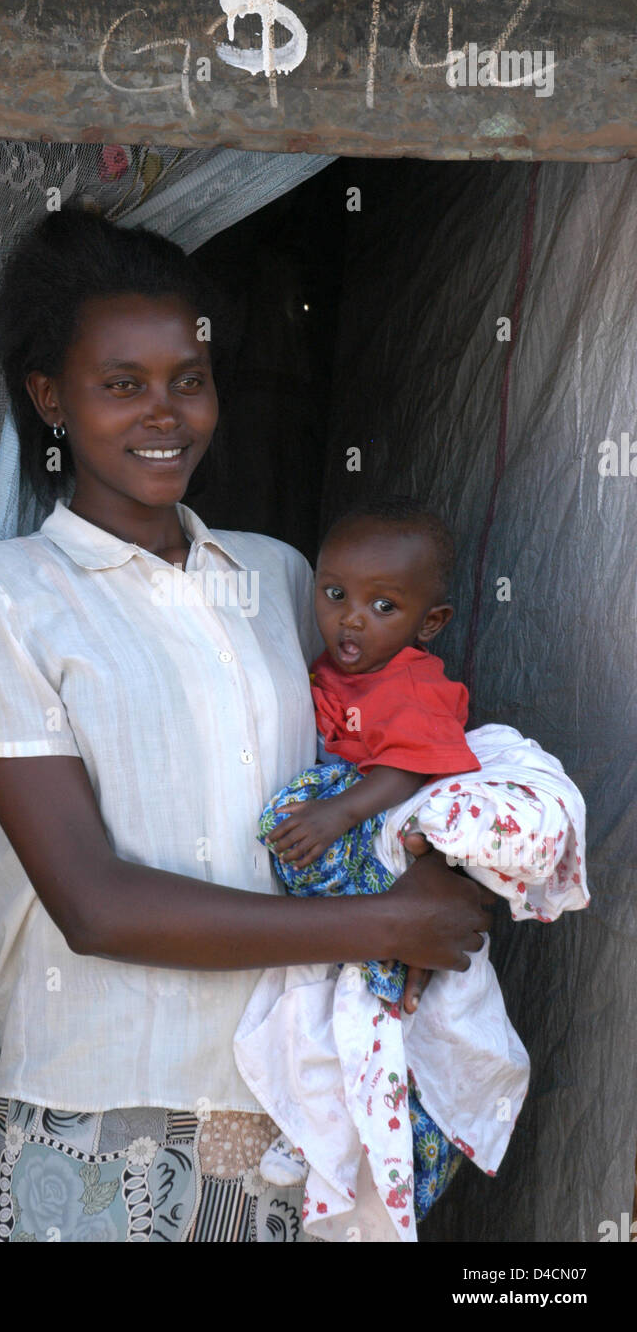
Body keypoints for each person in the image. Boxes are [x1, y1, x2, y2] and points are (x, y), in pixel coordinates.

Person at [0, 205, 494, 1244]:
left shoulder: (279, 576)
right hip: (98, 1109)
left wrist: (449, 866)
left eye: (188, 379)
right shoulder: (1, 598)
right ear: (50, 397)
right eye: (121, 384)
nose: (165, 413)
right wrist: (385, 924)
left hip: (293, 1109)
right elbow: (92, 904)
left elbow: (381, 750)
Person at [251, 499, 486, 1199]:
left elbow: (413, 765)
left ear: (428, 622)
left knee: (363, 1018)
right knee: (309, 1009)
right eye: (335, 595)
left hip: (376, 853)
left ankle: (335, 1140)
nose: (351, 618)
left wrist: (334, 814)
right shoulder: (333, 668)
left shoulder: (412, 682)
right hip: (343, 859)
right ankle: (316, 1133)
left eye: (383, 605)